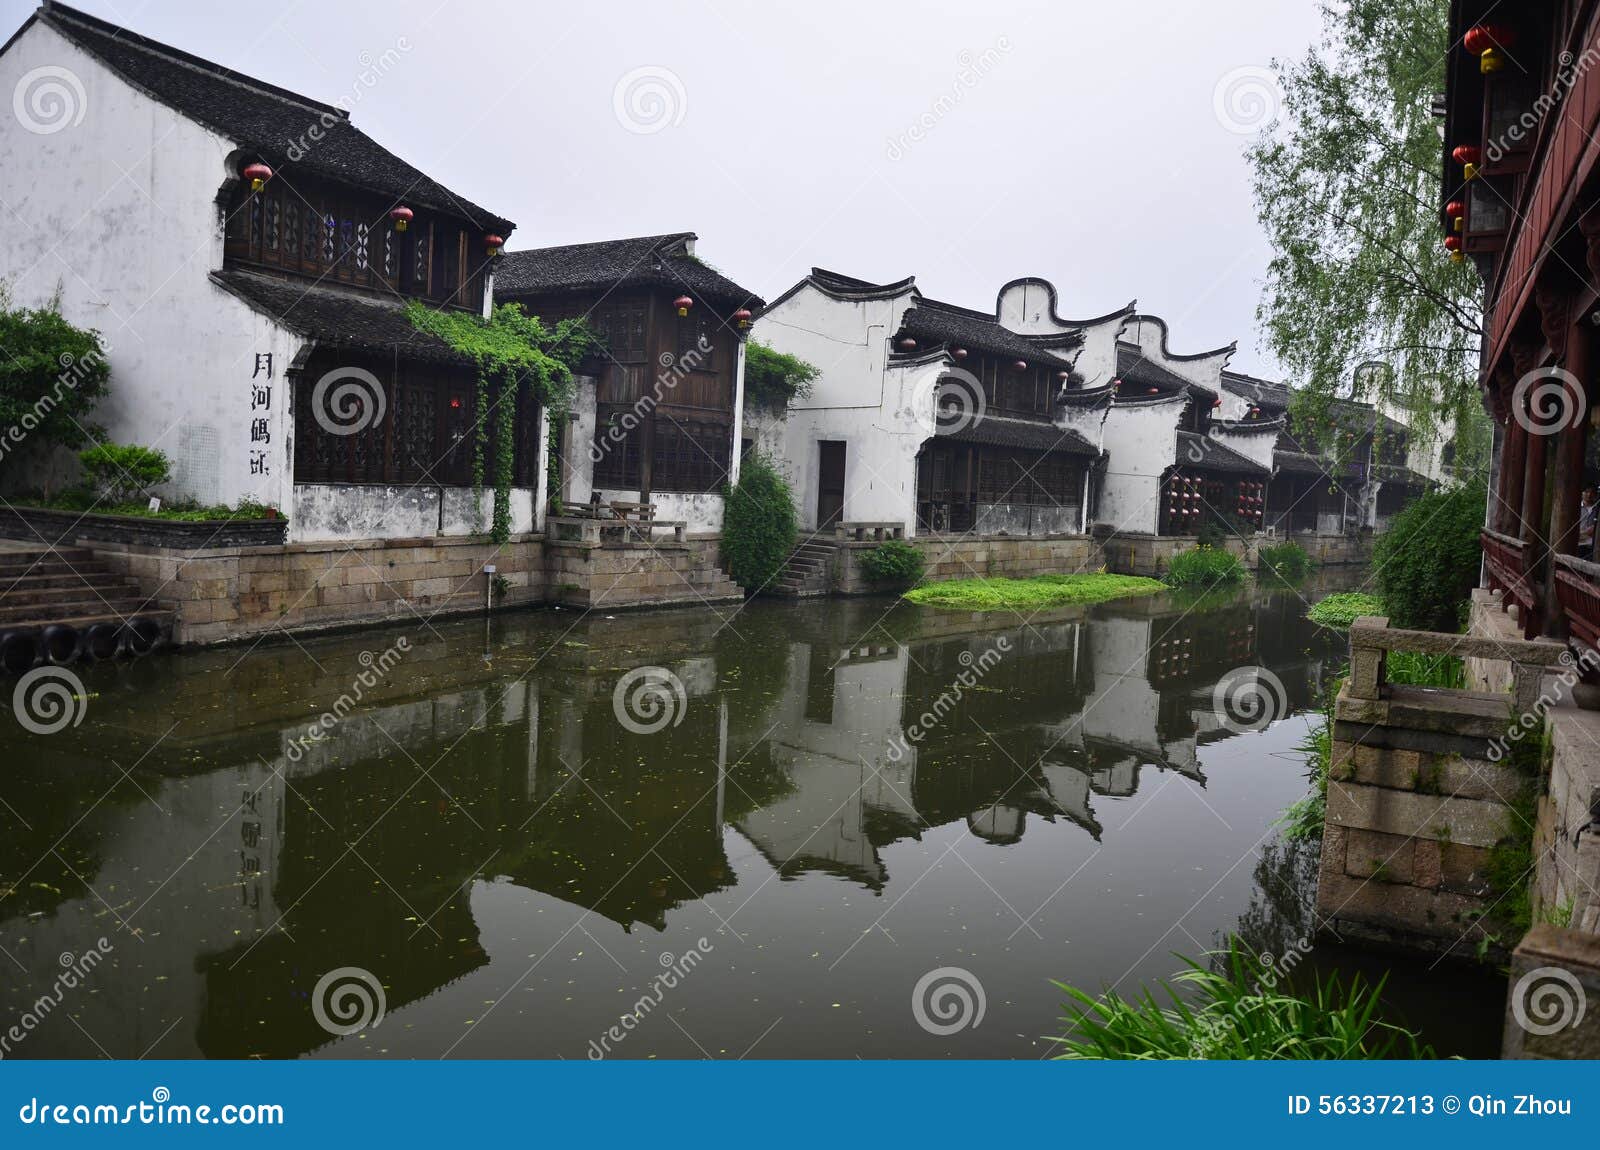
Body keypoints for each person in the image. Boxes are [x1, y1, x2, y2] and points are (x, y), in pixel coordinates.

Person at [1580, 485, 1598, 559]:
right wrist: (1584, 532)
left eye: (1592, 492)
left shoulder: (1597, 509)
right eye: (1586, 492)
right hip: (1579, 543)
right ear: (1582, 493)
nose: (1589, 494)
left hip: (1593, 545)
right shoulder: (1575, 506)